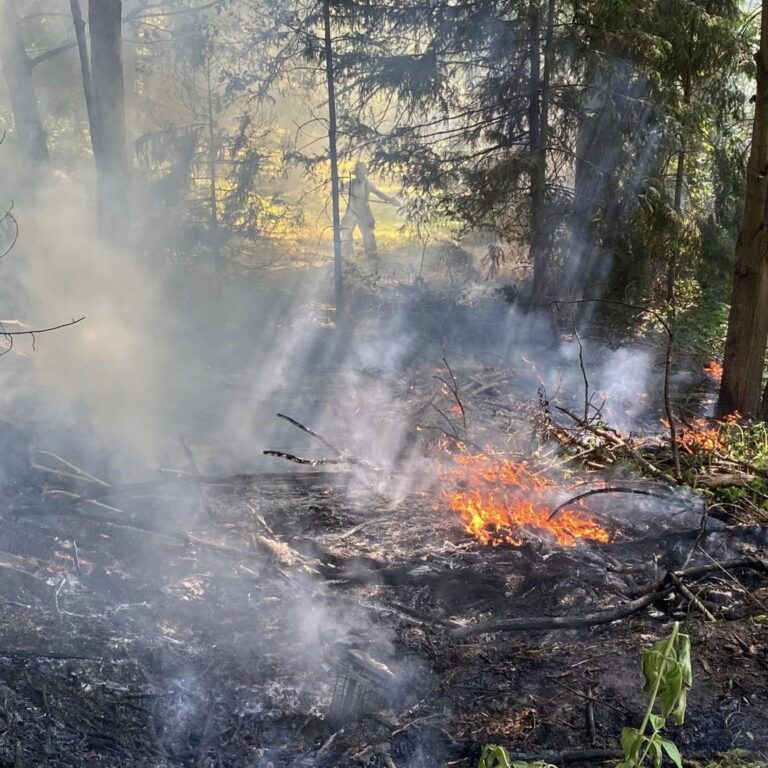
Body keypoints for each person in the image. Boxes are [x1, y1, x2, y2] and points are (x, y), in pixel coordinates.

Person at [340, 161, 399, 260]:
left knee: (368, 233)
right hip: (351, 211)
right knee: (346, 231)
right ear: (356, 174)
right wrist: (338, 189)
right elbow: (340, 189)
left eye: (363, 173)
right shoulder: (350, 184)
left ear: (365, 174)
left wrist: (391, 200)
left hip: (364, 212)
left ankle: (371, 253)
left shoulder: (368, 185)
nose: (361, 176)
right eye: (359, 173)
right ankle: (346, 254)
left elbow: (379, 194)